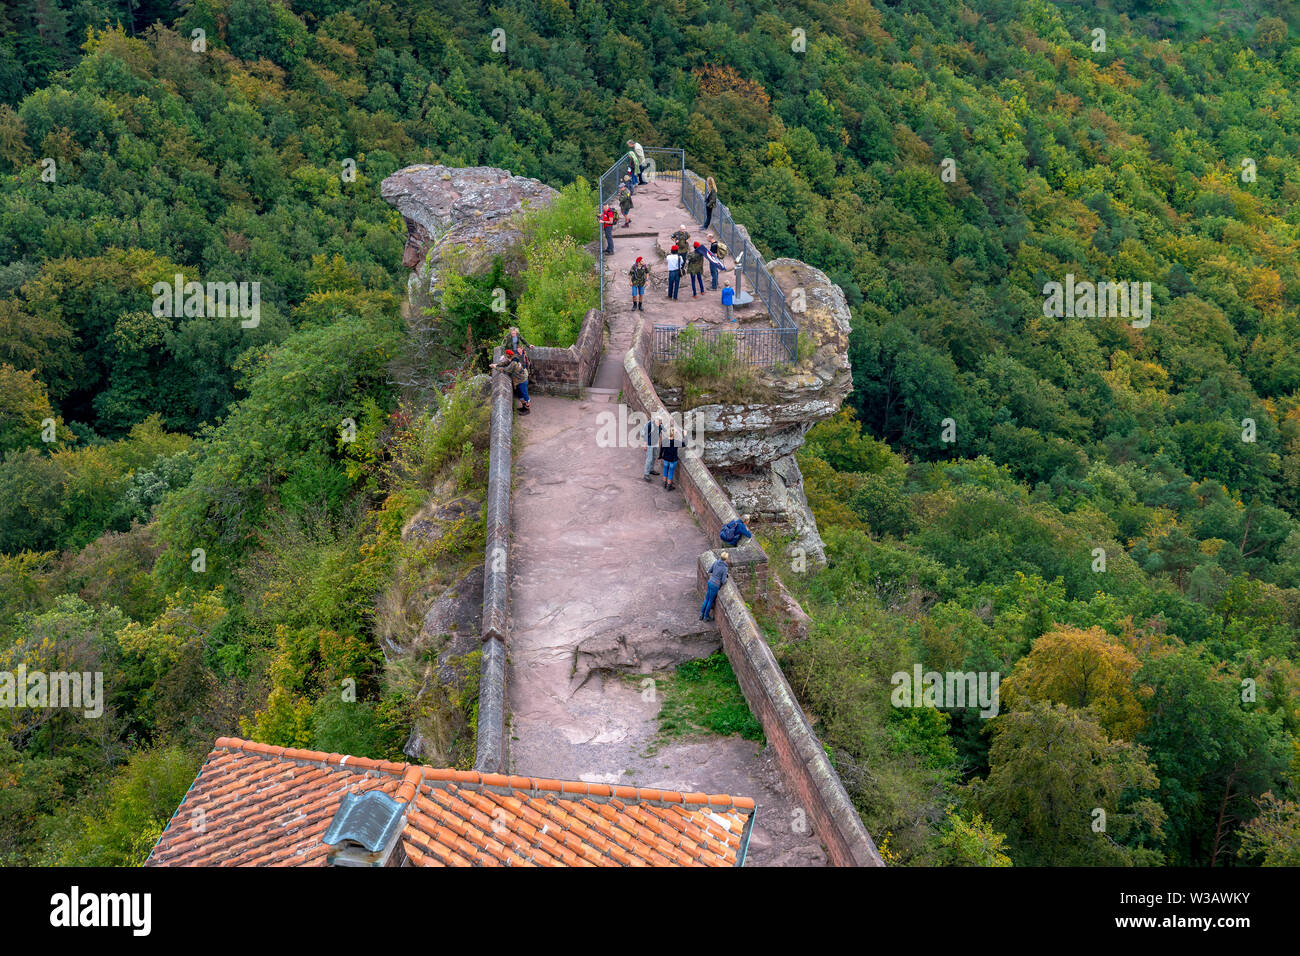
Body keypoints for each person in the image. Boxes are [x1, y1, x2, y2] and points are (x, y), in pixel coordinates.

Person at [494, 349, 530, 414]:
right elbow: (505, 363)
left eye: (505, 356)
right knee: (520, 394)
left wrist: (495, 367)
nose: (505, 358)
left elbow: (506, 370)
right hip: (519, 380)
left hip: (522, 380)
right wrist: (497, 364)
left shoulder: (514, 363)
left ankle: (527, 409)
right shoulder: (513, 358)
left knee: (525, 395)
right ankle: (524, 407)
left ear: (508, 356)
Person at [700, 551, 729, 622]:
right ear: (726, 559)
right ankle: (706, 617)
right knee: (710, 600)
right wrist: (726, 578)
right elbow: (723, 581)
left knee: (706, 599)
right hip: (715, 585)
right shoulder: (724, 568)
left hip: (710, 582)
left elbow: (710, 570)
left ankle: (701, 614)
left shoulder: (716, 562)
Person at [660, 425, 681, 490]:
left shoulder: (664, 441)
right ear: (674, 435)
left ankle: (664, 483)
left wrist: (660, 456)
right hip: (673, 460)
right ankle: (669, 485)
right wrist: (684, 435)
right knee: (671, 471)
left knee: (665, 469)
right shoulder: (676, 442)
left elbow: (661, 450)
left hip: (666, 458)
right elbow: (685, 443)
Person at [642, 415, 663, 481]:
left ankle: (651, 469)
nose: (661, 423)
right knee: (649, 458)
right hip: (649, 444)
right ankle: (646, 474)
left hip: (655, 444)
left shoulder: (660, 426)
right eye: (660, 421)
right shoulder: (650, 425)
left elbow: (660, 434)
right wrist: (645, 445)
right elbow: (645, 435)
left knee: (654, 457)